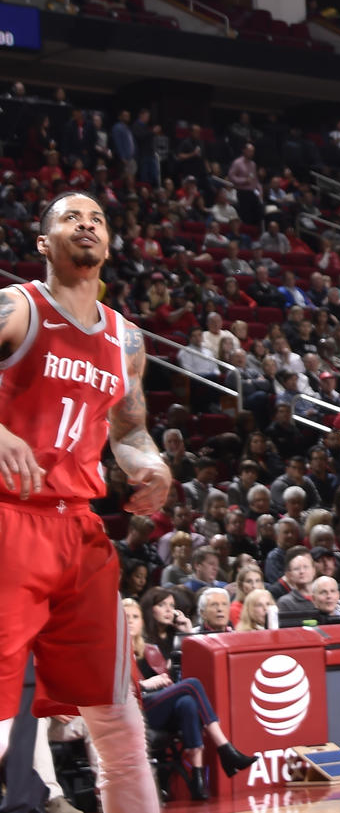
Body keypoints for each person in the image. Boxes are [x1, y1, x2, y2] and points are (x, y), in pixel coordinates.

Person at [0, 192, 173, 813]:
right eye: (71, 218)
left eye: (97, 218)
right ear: (44, 243)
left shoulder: (126, 338)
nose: (87, 225)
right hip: (9, 520)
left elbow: (128, 432)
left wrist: (149, 465)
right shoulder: (18, 307)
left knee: (115, 706)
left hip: (79, 529)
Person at [123, 598, 254, 801]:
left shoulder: (150, 650)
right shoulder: (114, 652)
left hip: (156, 706)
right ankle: (225, 748)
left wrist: (165, 677)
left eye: (135, 617)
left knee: (188, 703)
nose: (131, 621)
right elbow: (116, 691)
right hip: (133, 710)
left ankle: (197, 778)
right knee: (192, 685)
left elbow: (169, 682)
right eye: (126, 617)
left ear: (141, 621)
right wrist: (145, 685)